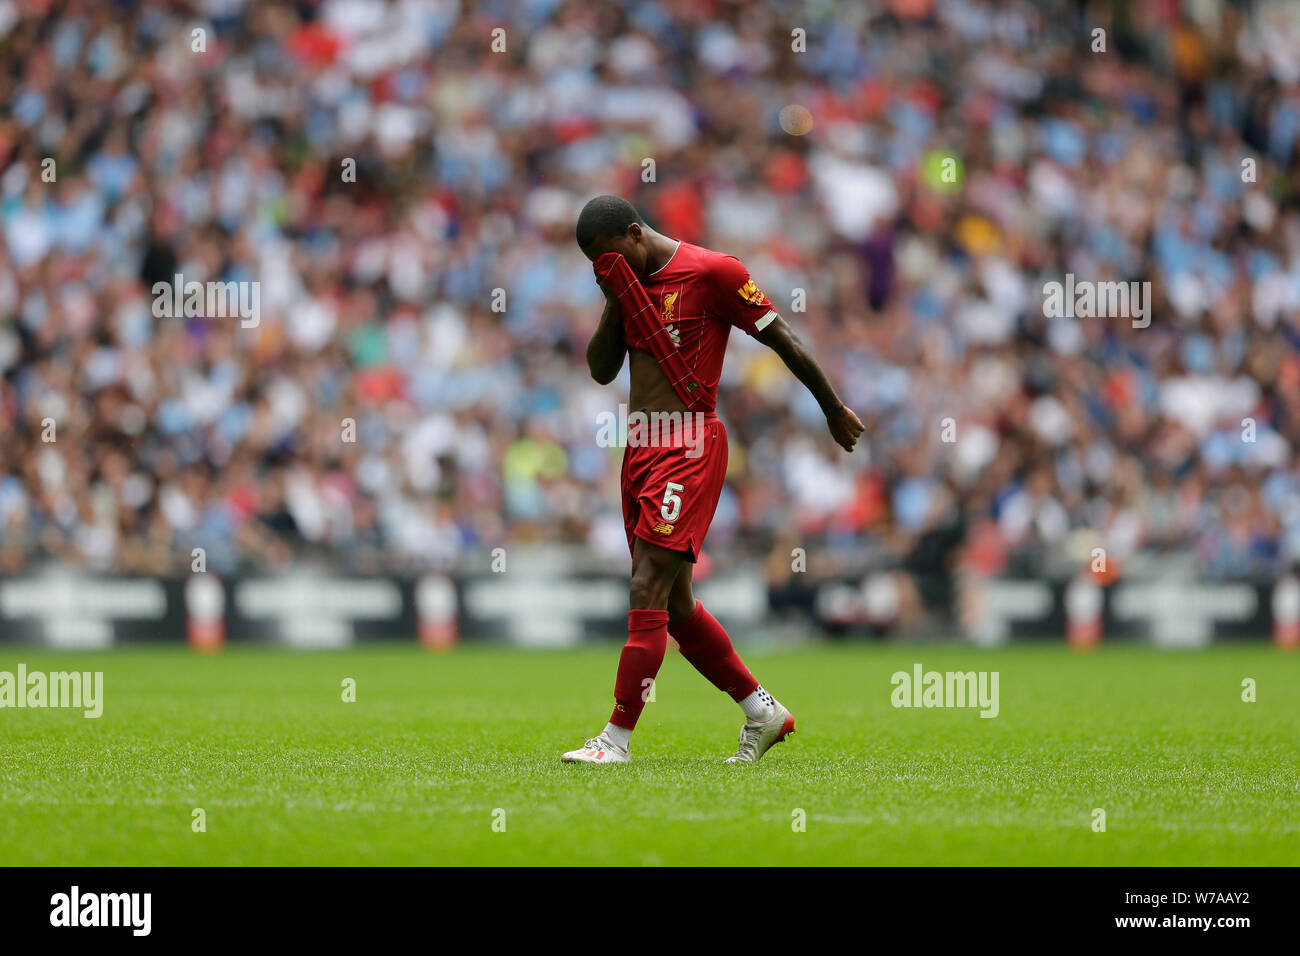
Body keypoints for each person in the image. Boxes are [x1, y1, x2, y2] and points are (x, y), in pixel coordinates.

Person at [562, 195, 864, 764]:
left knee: (644, 586)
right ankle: (763, 712)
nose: (605, 269)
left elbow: (784, 339)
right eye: (595, 266)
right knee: (674, 607)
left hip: (689, 443)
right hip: (640, 446)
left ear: (634, 231)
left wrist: (831, 407)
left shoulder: (713, 272)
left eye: (608, 258)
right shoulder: (623, 288)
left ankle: (615, 740)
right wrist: (614, 297)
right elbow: (601, 370)